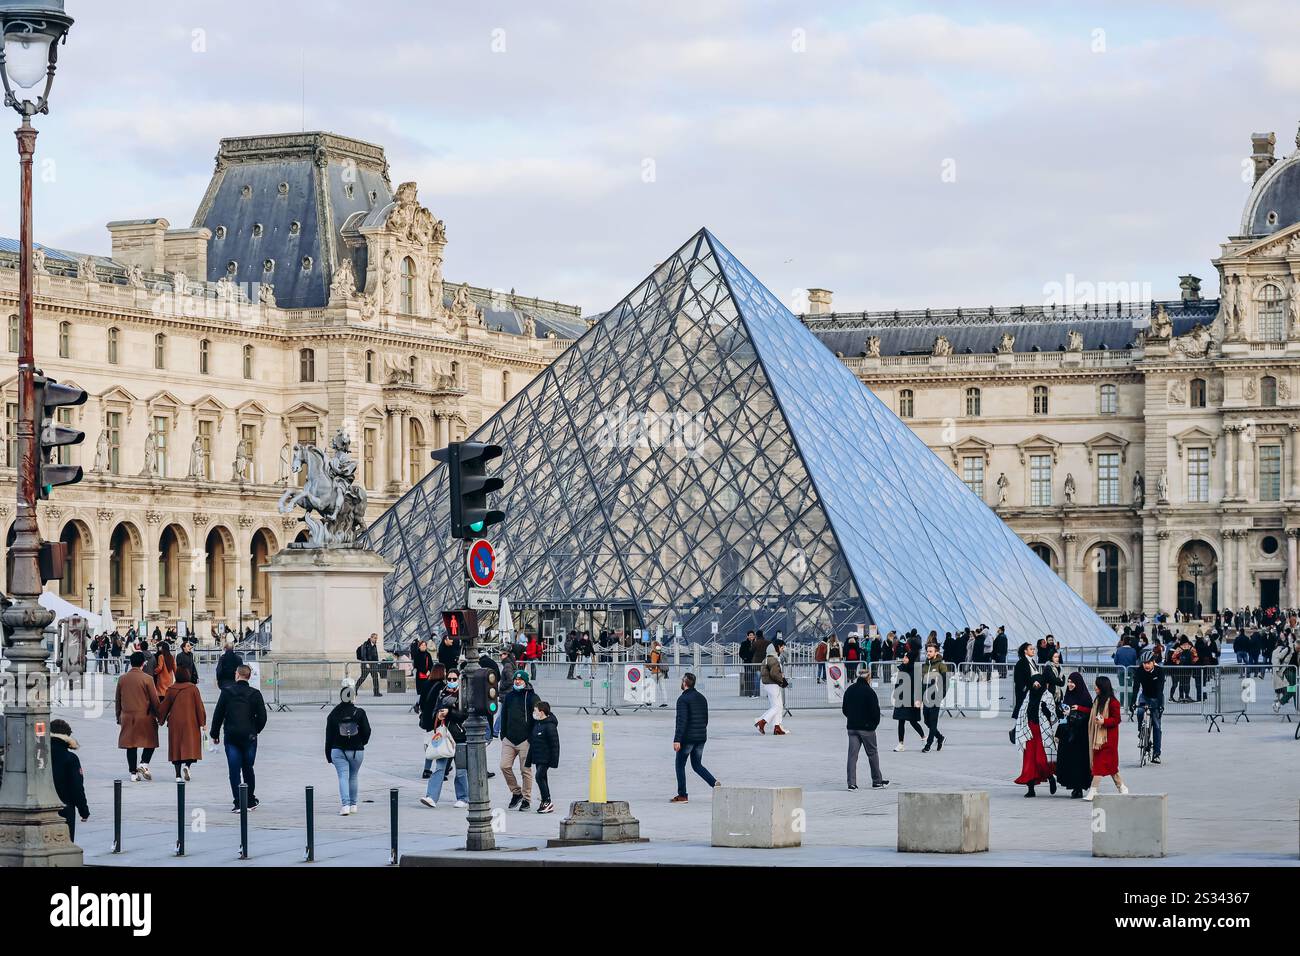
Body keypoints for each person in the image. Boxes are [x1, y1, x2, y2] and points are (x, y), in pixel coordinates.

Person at [209, 664, 268, 812]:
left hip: (232, 735)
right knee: (248, 768)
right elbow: (263, 717)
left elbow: (218, 714)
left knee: (234, 770)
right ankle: (249, 800)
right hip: (249, 736)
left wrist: (214, 734)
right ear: (248, 676)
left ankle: (238, 802)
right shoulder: (255, 694)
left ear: (237, 675)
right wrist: (255, 730)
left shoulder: (227, 692)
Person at [420, 672, 468, 809]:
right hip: (445, 736)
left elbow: (465, 715)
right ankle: (431, 797)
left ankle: (463, 797)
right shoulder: (442, 693)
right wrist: (438, 715)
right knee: (439, 768)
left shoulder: (463, 694)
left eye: (454, 679)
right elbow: (435, 710)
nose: (451, 681)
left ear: (458, 679)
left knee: (461, 770)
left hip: (460, 736)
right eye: (449, 679)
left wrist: (450, 713)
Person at [671, 672, 718, 803]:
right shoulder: (702, 697)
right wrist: (701, 731)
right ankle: (715, 784)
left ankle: (682, 795)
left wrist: (677, 739)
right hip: (701, 736)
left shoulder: (682, 699)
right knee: (697, 765)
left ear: (684, 683)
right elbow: (705, 719)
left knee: (680, 765)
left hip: (687, 738)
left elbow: (682, 721)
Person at [325, 684, 372, 815]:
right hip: (357, 750)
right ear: (353, 697)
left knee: (342, 777)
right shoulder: (360, 712)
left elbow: (328, 736)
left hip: (338, 750)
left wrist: (328, 755)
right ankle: (353, 805)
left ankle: (345, 805)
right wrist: (362, 743)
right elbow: (367, 731)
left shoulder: (333, 714)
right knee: (353, 776)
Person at [115, 651, 160, 782]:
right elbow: (154, 700)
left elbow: (118, 699)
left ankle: (133, 773)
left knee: (131, 745)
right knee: (151, 741)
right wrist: (159, 715)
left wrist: (119, 716)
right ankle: (144, 763)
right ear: (143, 663)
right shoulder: (148, 679)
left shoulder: (122, 679)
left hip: (127, 716)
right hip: (145, 716)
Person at [1013, 665, 1058, 797]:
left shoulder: (1048, 696)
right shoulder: (1028, 696)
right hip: (1029, 731)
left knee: (1041, 759)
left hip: (1043, 732)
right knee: (1029, 761)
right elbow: (1021, 713)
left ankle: (1050, 777)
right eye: (1034, 683)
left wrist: (1047, 711)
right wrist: (1019, 728)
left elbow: (1054, 717)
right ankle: (1031, 788)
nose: (1036, 685)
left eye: (1038, 683)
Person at [157, 664, 206, 782]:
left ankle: (178, 775)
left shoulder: (171, 689)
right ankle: (187, 766)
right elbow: (199, 706)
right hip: (191, 721)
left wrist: (160, 719)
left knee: (176, 747)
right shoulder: (193, 688)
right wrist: (202, 722)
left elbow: (164, 706)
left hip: (175, 722)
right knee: (190, 745)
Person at [499, 669, 540, 810]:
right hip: (509, 739)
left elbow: (538, 717)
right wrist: (502, 734)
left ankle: (526, 799)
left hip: (525, 740)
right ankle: (516, 792)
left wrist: (531, 737)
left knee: (525, 770)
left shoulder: (532, 697)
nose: (517, 681)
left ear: (525, 681)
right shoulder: (509, 696)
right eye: (516, 679)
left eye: (520, 679)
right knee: (504, 766)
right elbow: (503, 715)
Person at [1083, 675, 1128, 800]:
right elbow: (1091, 713)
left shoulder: (1113, 702)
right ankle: (1122, 787)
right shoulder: (1098, 700)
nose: (1095, 688)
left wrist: (1104, 722)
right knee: (1111, 766)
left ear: (1103, 687)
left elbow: (1117, 719)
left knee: (1098, 766)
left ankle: (1093, 791)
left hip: (1108, 739)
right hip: (1098, 738)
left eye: (1097, 686)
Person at [843, 665, 888, 790]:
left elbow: (844, 709)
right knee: (872, 753)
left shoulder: (850, 690)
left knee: (852, 756)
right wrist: (873, 724)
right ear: (869, 678)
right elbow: (875, 712)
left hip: (852, 727)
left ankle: (851, 783)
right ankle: (877, 781)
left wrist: (851, 718)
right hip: (867, 728)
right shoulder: (870, 692)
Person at [49, 718, 89, 840]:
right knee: (65, 842)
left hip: (40, 808)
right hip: (65, 808)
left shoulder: (38, 754)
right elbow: (77, 787)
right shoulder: (70, 758)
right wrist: (83, 810)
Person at [1055, 671, 1093, 798]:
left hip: (1081, 735)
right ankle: (1073, 786)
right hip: (1068, 734)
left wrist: (1079, 708)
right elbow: (1063, 717)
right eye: (1069, 682)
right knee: (1069, 760)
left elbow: (1090, 711)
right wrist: (1058, 733)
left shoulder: (1085, 697)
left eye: (1073, 682)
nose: (1070, 685)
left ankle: (1079, 787)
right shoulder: (1067, 696)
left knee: (1080, 761)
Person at [524, 700, 560, 814]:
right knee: (542, 778)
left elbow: (555, 744)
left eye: (535, 710)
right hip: (538, 757)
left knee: (539, 776)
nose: (533, 713)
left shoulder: (550, 726)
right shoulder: (537, 724)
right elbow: (533, 743)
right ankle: (546, 801)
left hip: (546, 758)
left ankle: (547, 800)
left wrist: (554, 762)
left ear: (542, 712)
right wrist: (528, 761)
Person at [1133, 650, 1166, 763]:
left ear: (1153, 662)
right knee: (1140, 712)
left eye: (1148, 663)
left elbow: (1160, 689)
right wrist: (1133, 703)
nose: (1146, 665)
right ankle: (1141, 732)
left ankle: (1156, 753)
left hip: (1157, 697)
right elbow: (1136, 687)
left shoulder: (1159, 671)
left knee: (1156, 725)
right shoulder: (1139, 671)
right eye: (1144, 663)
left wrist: (1160, 705)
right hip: (1145, 696)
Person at [891, 648, 925, 751]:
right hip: (901, 698)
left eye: (906, 657)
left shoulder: (915, 671)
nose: (904, 658)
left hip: (911, 699)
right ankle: (901, 744)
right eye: (904, 657)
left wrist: (918, 700)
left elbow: (918, 687)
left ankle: (924, 738)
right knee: (901, 721)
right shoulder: (902, 668)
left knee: (913, 721)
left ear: (910, 659)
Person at [755, 637, 789, 736]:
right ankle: (761, 722)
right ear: (777, 647)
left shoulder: (766, 659)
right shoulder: (773, 660)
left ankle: (777, 727)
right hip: (773, 685)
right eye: (782, 647)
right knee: (777, 707)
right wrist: (783, 681)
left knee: (777, 706)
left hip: (767, 684)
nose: (783, 650)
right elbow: (775, 674)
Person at [355, 632, 383, 698]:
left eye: (376, 638)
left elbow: (375, 655)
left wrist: (377, 662)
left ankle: (376, 692)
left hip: (373, 664)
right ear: (371, 638)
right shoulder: (365, 644)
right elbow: (363, 655)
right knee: (363, 678)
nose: (376, 639)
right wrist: (366, 663)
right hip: (366, 664)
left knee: (375, 677)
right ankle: (354, 689)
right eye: (375, 638)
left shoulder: (374, 645)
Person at [411, 638, 435, 709]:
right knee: (421, 692)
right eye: (422, 645)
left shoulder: (428, 654)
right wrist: (425, 671)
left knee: (426, 691)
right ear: (419, 646)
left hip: (427, 676)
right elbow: (416, 665)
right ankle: (419, 705)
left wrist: (429, 671)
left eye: (425, 645)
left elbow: (431, 664)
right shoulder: (417, 654)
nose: (424, 646)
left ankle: (420, 705)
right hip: (420, 676)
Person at [648, 640, 669, 707]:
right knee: (663, 687)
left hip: (655, 672)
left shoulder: (654, 652)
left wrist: (647, 665)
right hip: (662, 671)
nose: (651, 646)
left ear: (654, 645)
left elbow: (653, 664)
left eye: (651, 645)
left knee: (650, 686)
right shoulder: (660, 651)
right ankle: (665, 702)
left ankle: (649, 701)